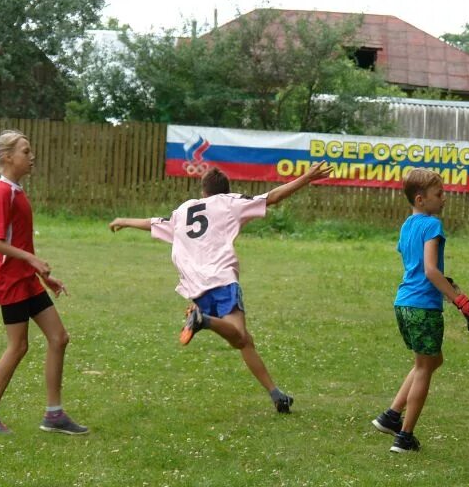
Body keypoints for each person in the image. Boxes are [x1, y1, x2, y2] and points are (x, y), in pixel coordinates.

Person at [108, 161, 332, 414]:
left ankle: (276, 394)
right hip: (222, 278)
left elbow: (155, 222)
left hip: (195, 286)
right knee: (238, 334)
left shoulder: (183, 211)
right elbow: (272, 197)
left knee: (244, 341)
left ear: (203, 191)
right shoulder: (230, 202)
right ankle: (203, 321)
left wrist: (124, 220)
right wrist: (306, 178)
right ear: (225, 191)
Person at [0, 130, 88, 435]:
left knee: (59, 338)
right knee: (18, 346)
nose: (31, 156)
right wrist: (31, 261)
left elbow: (17, 241)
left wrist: (44, 276)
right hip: (11, 282)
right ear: (8, 157)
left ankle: (54, 414)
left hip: (26, 280)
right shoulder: (3, 191)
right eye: (26, 151)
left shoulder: (17, 191)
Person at [371, 168, 469, 453]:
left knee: (431, 361)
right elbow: (431, 271)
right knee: (424, 367)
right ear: (421, 199)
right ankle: (404, 437)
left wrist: (452, 287)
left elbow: (417, 268)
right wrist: (459, 301)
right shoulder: (432, 225)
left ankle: (391, 415)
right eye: (438, 194)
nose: (444, 199)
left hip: (404, 303)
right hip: (422, 307)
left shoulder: (408, 225)